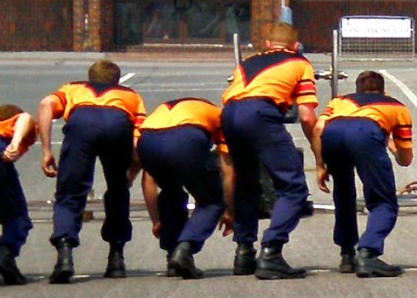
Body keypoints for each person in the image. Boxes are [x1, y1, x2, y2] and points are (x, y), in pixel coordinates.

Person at [221, 21, 320, 279]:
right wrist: (318, 154)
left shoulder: (248, 63)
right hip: (260, 113)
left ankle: (244, 252)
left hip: (230, 113)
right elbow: (307, 116)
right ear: (295, 45)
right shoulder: (300, 63)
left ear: (266, 45)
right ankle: (271, 251)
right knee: (293, 186)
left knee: (247, 183)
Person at [37, 61, 145, 284]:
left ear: (89, 77)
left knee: (70, 193)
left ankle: (65, 253)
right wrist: (130, 174)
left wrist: (46, 149)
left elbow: (46, 105)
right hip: (117, 124)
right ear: (116, 80)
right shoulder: (131, 95)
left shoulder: (73, 88)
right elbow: (138, 140)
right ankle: (116, 257)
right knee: (117, 190)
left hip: (81, 124)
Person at [312, 70, 414, 277]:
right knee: (383, 201)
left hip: (333, 133)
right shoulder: (396, 106)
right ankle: (368, 252)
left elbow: (318, 129)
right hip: (365, 134)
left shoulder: (339, 101)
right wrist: (393, 148)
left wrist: (320, 164)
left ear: (356, 90)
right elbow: (406, 160)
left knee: (343, 194)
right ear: (383, 91)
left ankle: (347, 254)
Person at [137, 97, 234, 279]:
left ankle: (172, 256)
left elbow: (148, 182)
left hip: (147, 140)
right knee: (211, 201)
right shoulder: (221, 117)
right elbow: (228, 171)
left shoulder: (162, 111)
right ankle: (185, 249)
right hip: (186, 138)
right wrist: (228, 209)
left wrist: (157, 220)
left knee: (171, 192)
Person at [0, 104, 35, 285]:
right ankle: (6, 254)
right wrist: (15, 143)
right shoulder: (14, 123)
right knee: (16, 213)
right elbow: (25, 117)